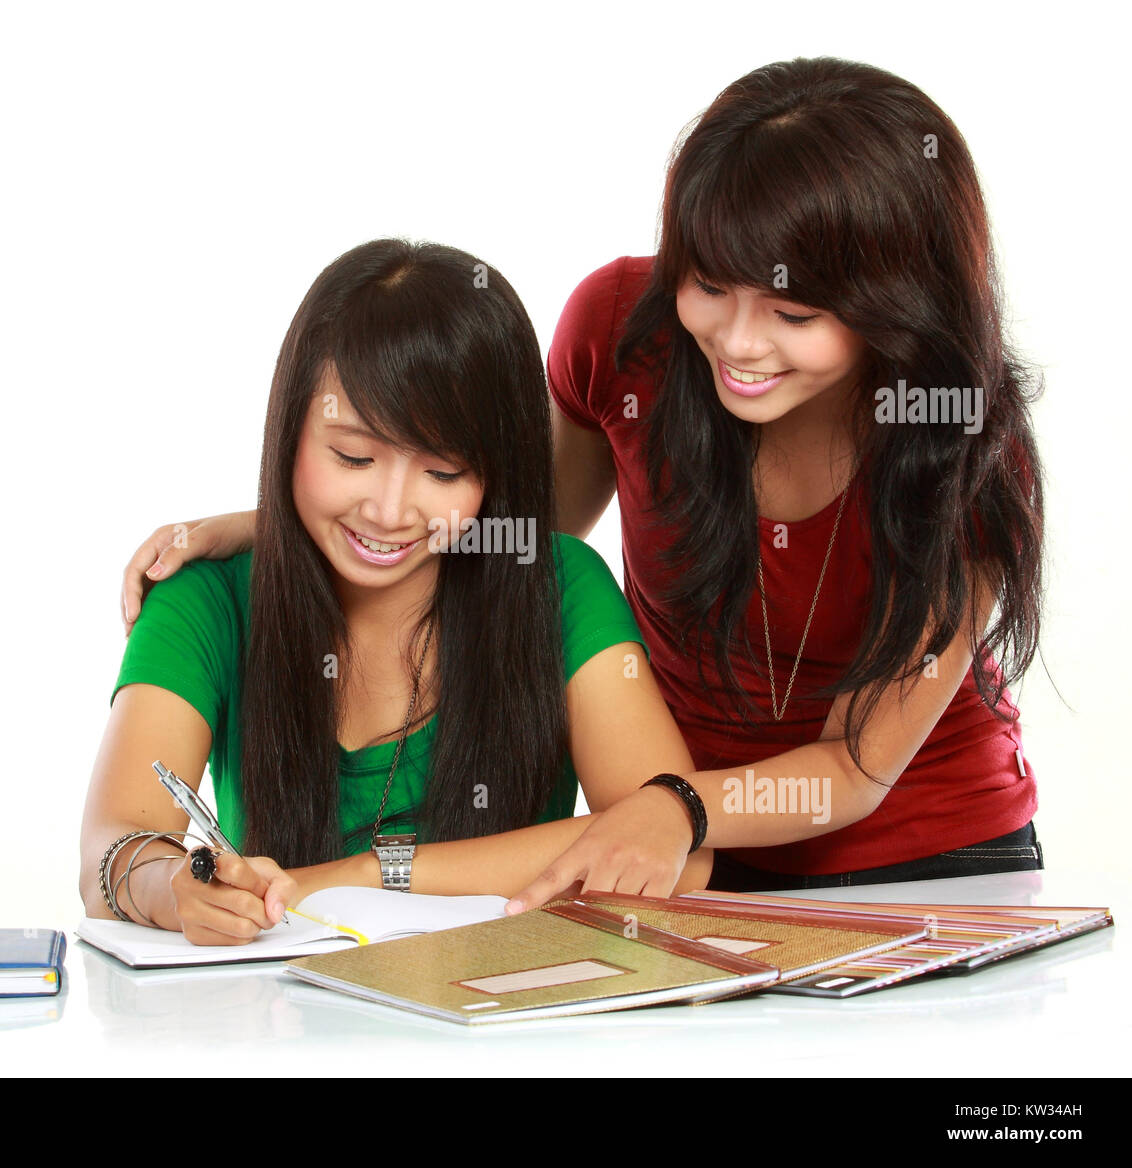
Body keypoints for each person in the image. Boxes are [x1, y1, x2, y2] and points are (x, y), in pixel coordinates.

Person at [118, 57, 1046, 913]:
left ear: (897, 307)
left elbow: (851, 770)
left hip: (928, 857)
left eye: (793, 313)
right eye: (709, 283)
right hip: (657, 851)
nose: (738, 340)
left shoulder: (958, 452)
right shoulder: (623, 334)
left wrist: (675, 806)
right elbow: (501, 542)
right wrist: (292, 524)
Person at [81, 238, 711, 946]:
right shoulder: (205, 595)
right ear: (289, 430)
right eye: (353, 456)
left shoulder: (559, 589)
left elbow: (675, 852)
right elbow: (113, 843)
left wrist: (370, 872)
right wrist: (172, 886)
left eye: (442, 474)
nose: (389, 510)